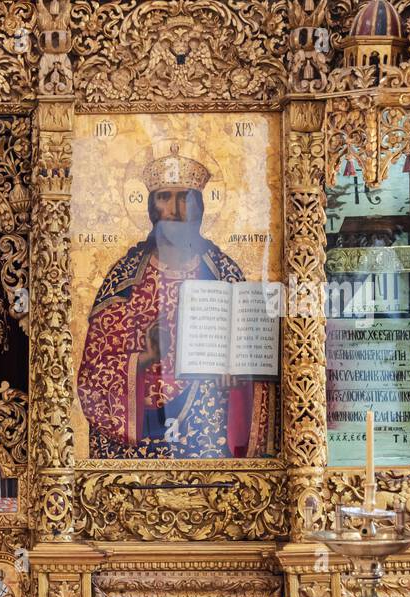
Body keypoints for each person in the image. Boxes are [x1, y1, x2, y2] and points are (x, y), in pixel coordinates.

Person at [77, 143, 273, 458]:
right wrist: (145, 356)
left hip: (207, 431)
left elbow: (253, 356)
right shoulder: (125, 278)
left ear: (200, 205)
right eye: (165, 197)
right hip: (139, 432)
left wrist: (239, 370)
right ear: (151, 207)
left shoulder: (223, 272)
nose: (175, 210)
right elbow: (94, 370)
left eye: (185, 197)